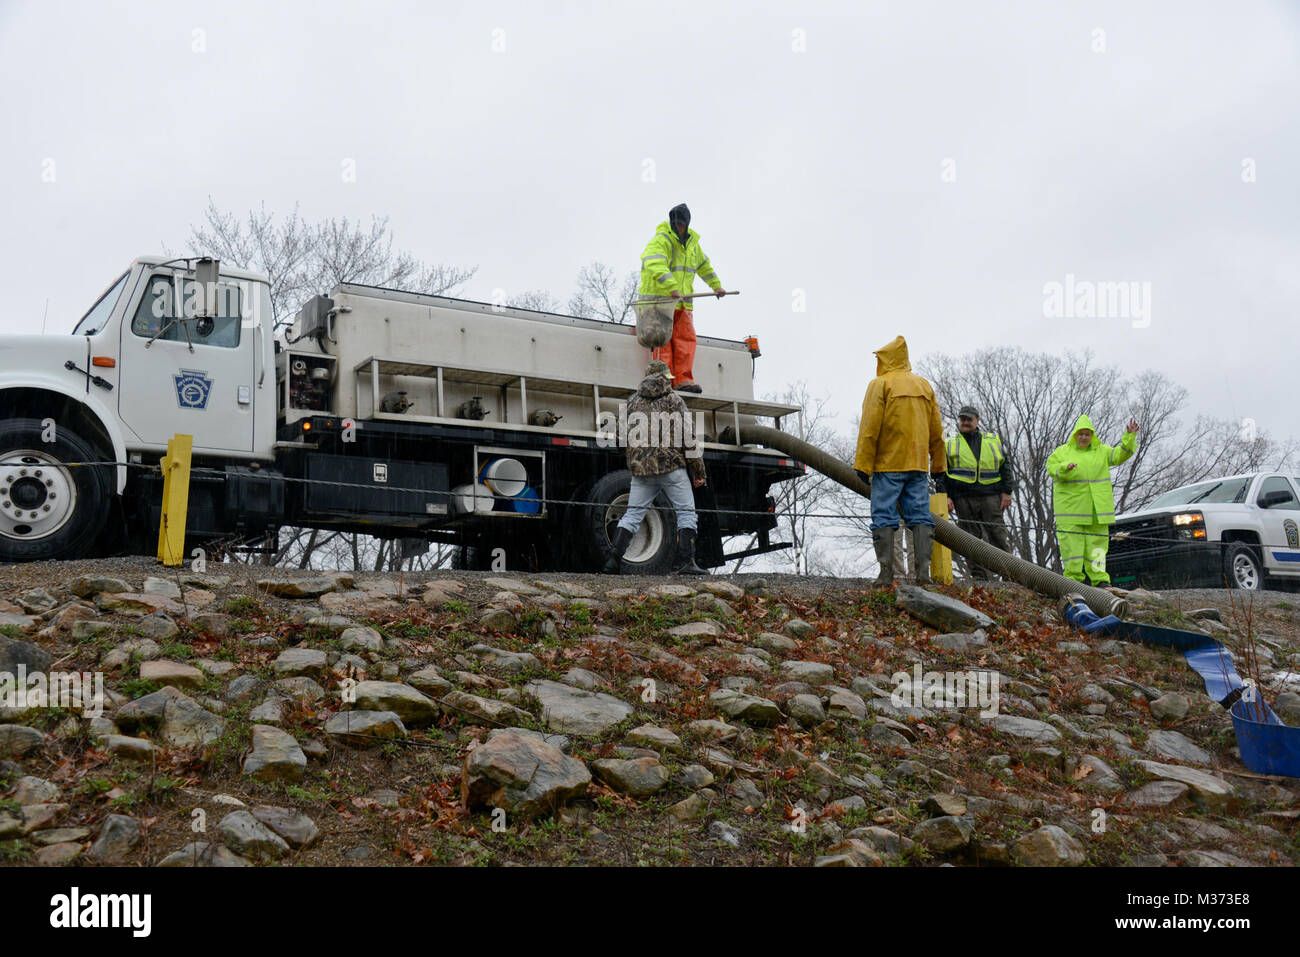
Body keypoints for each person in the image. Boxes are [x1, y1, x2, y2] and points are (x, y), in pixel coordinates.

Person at [853, 335, 946, 585]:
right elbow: (937, 431)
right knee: (920, 516)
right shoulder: (924, 386)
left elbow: (869, 428)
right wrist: (939, 467)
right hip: (917, 466)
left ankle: (886, 575)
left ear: (886, 359)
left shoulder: (880, 384)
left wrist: (862, 464)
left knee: (883, 516)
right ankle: (923, 575)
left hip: (888, 464)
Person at [604, 359, 709, 575]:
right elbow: (689, 438)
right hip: (671, 468)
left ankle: (612, 562)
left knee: (632, 515)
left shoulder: (631, 402)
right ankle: (685, 563)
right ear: (664, 377)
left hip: (642, 471)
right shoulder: (674, 400)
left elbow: (618, 438)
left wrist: (636, 456)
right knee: (686, 513)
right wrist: (699, 472)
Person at [637, 204, 725, 394]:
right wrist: (671, 287)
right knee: (663, 342)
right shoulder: (662, 240)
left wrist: (716, 286)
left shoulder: (693, 245)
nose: (678, 227)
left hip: (683, 303)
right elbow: (653, 262)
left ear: (686, 224)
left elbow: (704, 266)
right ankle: (663, 380)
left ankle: (683, 379)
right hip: (660, 302)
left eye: (681, 224)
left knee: (686, 340)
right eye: (675, 223)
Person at [1046, 414, 1140, 586]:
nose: (1083, 437)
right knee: (1072, 550)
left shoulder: (1102, 451)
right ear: (1075, 434)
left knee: (1097, 547)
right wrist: (1064, 468)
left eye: (1087, 434)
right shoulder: (1062, 452)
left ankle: (1100, 581)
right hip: (1071, 512)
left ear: (1092, 436)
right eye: (1080, 434)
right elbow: (1050, 468)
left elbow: (1120, 455)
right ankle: (1072, 581)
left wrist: (1129, 437)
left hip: (1097, 511)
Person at [944, 404, 1015, 580]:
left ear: (977, 421)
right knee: (969, 539)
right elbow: (941, 472)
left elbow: (1005, 466)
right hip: (962, 497)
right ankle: (979, 577)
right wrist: (946, 496)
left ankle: (1009, 575)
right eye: (963, 419)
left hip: (990, 495)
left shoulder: (992, 440)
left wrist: (1007, 492)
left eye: (969, 419)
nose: (965, 422)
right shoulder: (950, 442)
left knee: (997, 535)